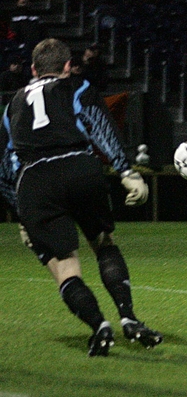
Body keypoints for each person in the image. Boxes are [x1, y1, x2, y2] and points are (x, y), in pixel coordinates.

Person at [0, 38, 161, 356]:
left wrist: (21, 213)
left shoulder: (13, 104)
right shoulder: (77, 87)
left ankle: (98, 325)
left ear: (33, 70)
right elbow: (101, 126)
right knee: (103, 243)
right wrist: (126, 172)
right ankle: (128, 317)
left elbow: (4, 164)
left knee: (64, 265)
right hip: (79, 167)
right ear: (66, 67)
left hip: (35, 180)